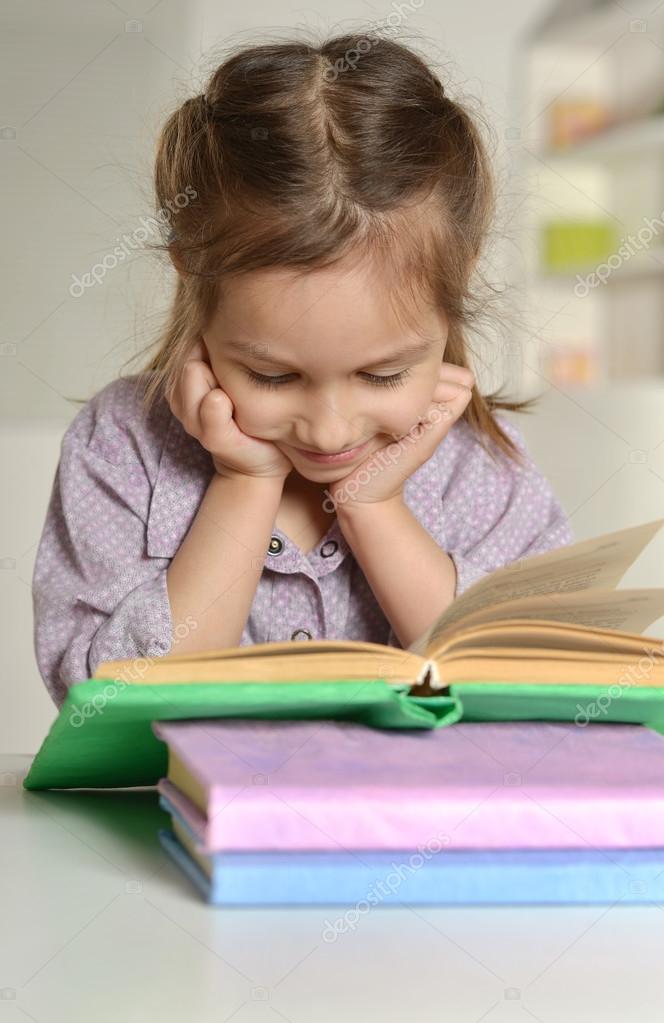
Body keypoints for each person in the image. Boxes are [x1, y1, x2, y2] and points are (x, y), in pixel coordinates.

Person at [32, 32, 573, 709]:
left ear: (458, 286)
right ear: (193, 276)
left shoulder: (481, 470)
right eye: (272, 376)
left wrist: (373, 506)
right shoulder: (123, 447)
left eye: (381, 375)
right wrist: (243, 482)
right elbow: (108, 706)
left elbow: (528, 690)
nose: (328, 427)